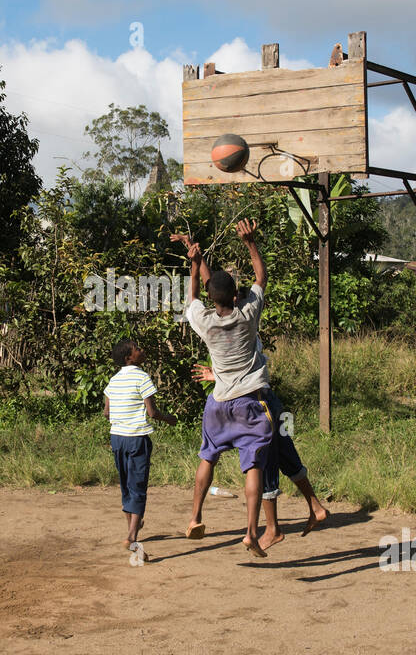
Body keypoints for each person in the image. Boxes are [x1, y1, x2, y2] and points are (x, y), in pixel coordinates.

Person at [181, 221, 280, 557]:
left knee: (208, 455)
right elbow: (261, 277)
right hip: (250, 403)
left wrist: (194, 263)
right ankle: (251, 532)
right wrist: (250, 243)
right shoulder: (248, 315)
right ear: (237, 296)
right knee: (252, 466)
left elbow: (195, 294)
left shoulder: (204, 321)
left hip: (218, 403)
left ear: (212, 299)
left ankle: (195, 517)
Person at [192, 358, 330, 535]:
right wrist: (220, 377)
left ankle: (272, 529)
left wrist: (221, 378)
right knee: (286, 454)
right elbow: (247, 372)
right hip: (270, 400)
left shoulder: (246, 338)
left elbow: (246, 375)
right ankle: (316, 508)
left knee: (264, 463)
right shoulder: (249, 339)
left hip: (259, 403)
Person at [103, 339, 175, 560]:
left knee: (126, 485)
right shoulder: (142, 377)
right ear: (129, 358)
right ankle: (132, 537)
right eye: (137, 349)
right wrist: (169, 419)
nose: (142, 350)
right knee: (139, 486)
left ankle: (131, 530)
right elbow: (152, 412)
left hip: (117, 438)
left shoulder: (113, 381)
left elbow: (106, 413)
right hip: (136, 439)